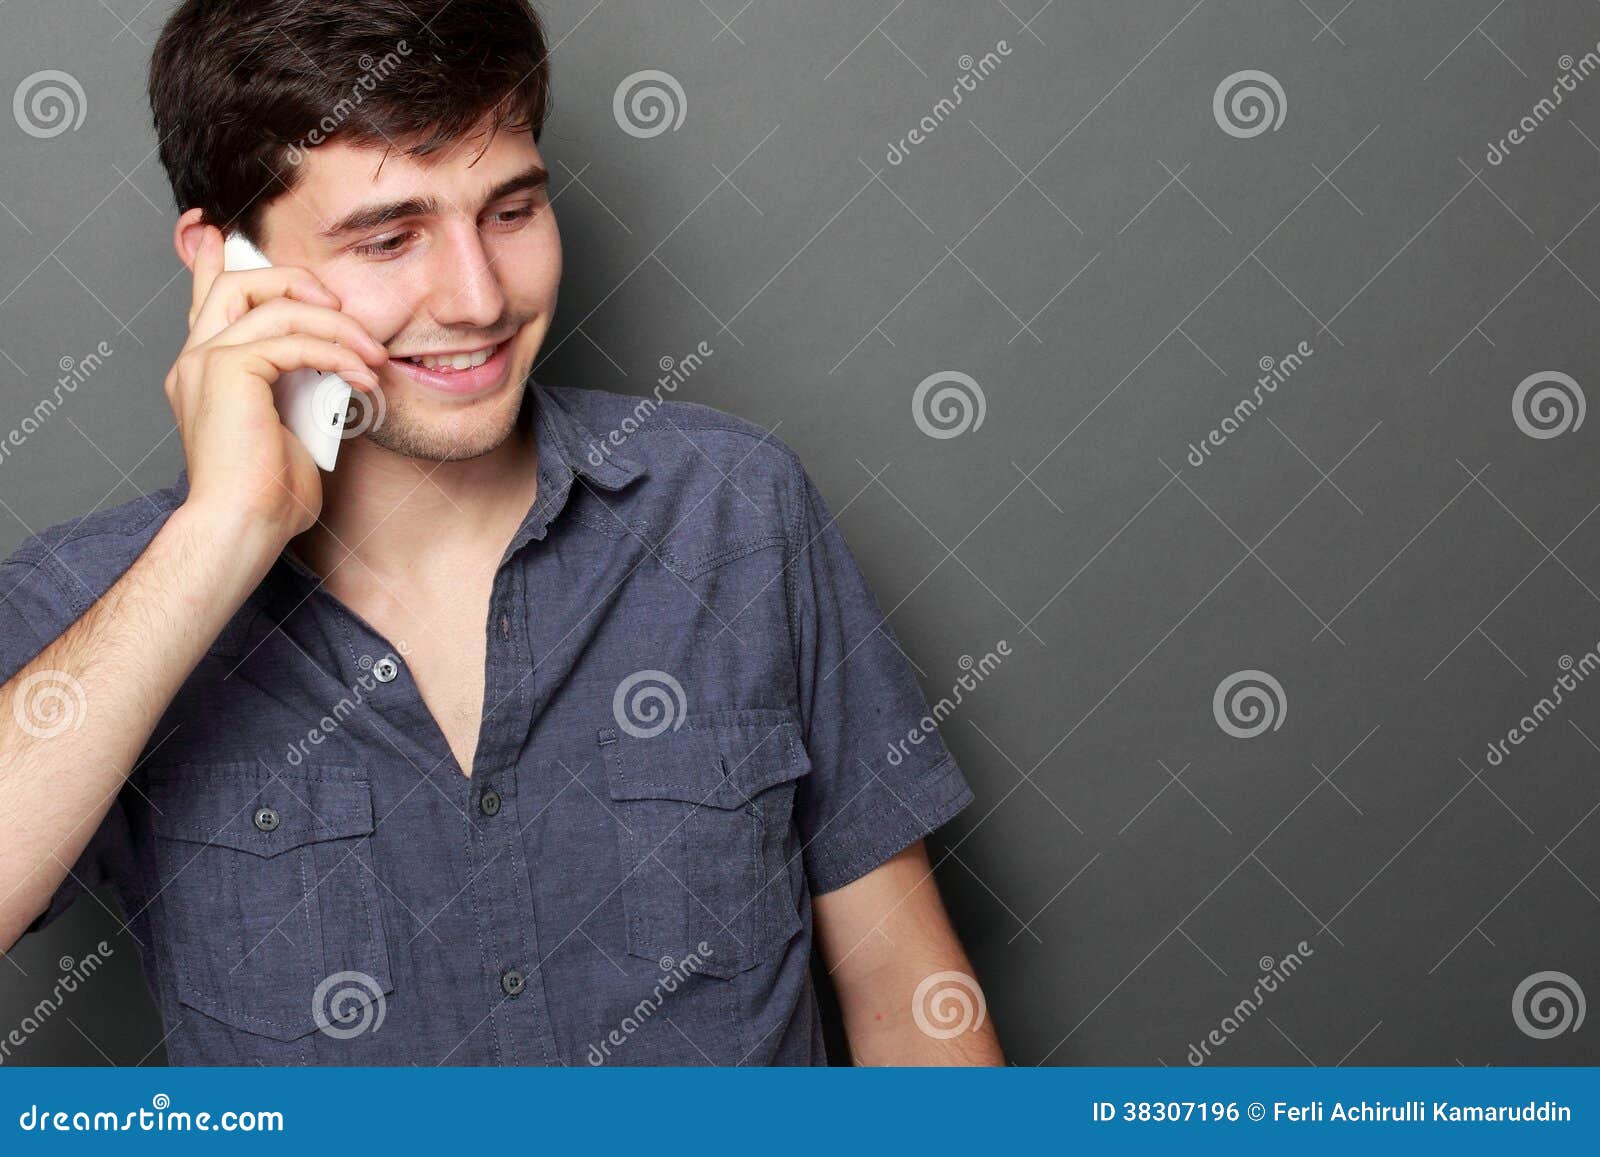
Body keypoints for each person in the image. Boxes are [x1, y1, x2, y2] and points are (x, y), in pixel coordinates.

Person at [0, 0, 1001, 1066]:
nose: (478, 298)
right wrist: (225, 533)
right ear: (226, 262)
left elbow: (909, 997)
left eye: (511, 212)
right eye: (390, 237)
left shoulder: (734, 508)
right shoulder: (95, 603)